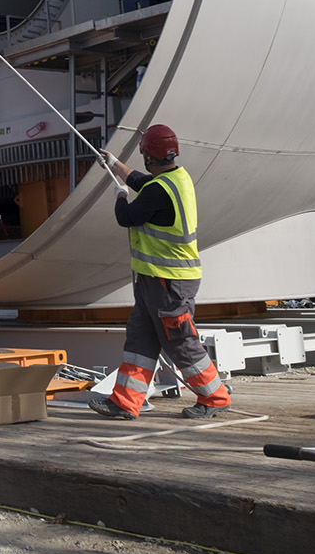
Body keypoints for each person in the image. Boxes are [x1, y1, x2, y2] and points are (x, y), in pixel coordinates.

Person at [89, 124, 231, 421]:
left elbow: (126, 216)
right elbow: (145, 181)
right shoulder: (178, 178)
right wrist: (114, 164)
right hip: (155, 281)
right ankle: (126, 402)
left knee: (181, 343)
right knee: (140, 340)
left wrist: (119, 194)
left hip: (168, 283)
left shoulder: (157, 190)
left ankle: (215, 398)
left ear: (147, 155)